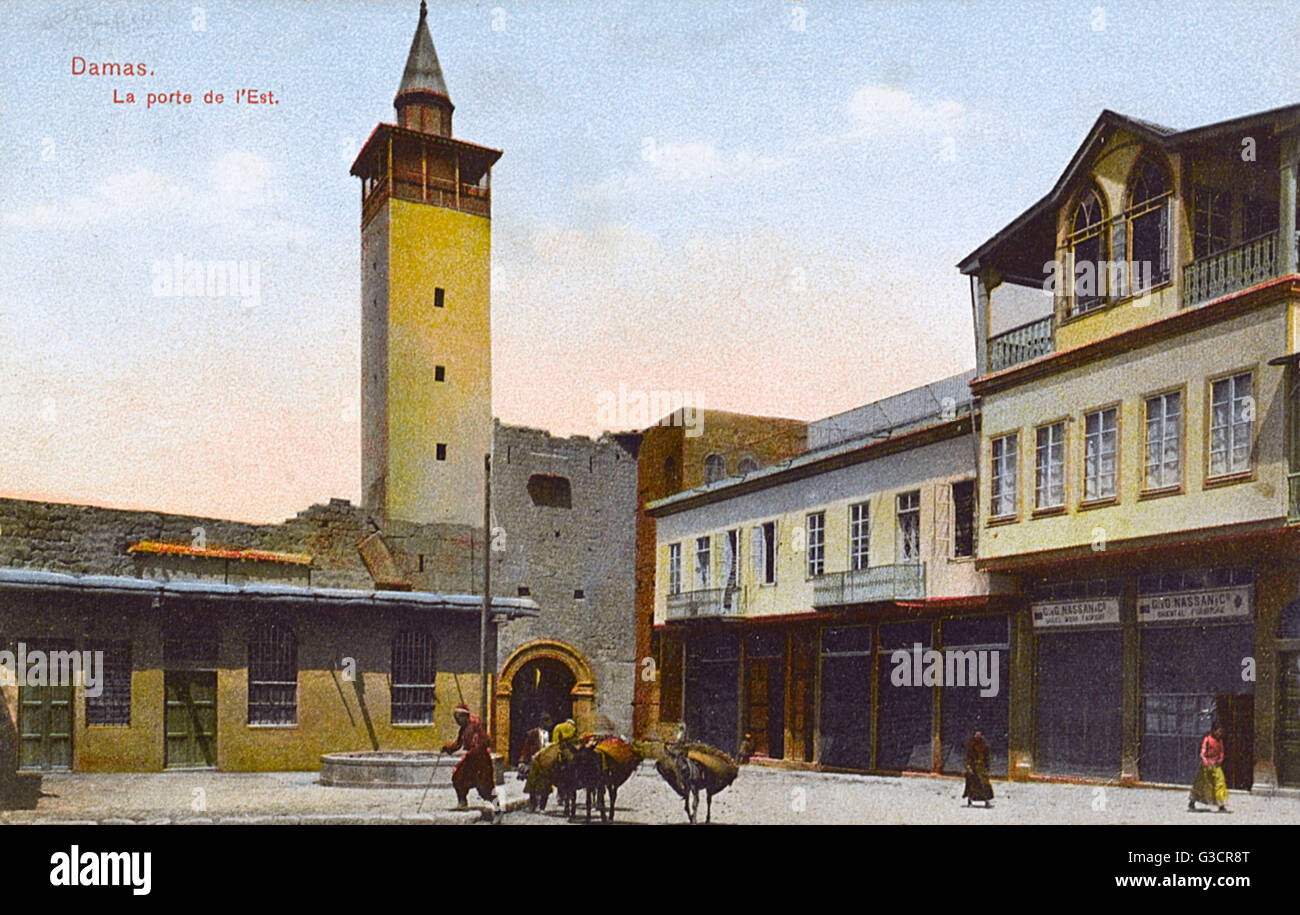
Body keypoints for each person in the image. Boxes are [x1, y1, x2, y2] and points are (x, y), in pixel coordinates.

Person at [442, 702, 496, 811]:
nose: (457, 721)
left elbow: (484, 740)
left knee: (486, 788)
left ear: (465, 716)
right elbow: (458, 744)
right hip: (470, 759)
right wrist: (448, 748)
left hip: (481, 760)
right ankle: (462, 801)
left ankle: (498, 808)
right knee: (458, 777)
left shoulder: (476, 724)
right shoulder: (463, 728)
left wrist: (476, 747)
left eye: (459, 718)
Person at [1188, 725, 1230, 813]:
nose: (1220, 734)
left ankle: (1221, 805)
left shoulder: (1220, 741)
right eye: (1219, 731)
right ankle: (1192, 802)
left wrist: (1220, 759)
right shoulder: (1207, 739)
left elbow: (1221, 752)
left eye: (1221, 732)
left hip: (1216, 766)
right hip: (1206, 766)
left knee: (1220, 783)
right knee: (1201, 784)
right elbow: (1202, 753)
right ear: (1214, 731)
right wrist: (1206, 762)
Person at [963, 730, 994, 808]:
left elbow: (987, 757)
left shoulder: (984, 745)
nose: (977, 736)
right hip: (973, 767)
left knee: (984, 784)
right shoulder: (971, 745)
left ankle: (986, 801)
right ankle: (970, 801)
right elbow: (967, 757)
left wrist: (987, 767)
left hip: (982, 768)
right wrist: (968, 766)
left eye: (979, 734)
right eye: (976, 734)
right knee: (972, 785)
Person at [516, 712, 553, 776]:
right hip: (535, 764)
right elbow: (526, 749)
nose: (551, 723)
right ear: (542, 722)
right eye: (548, 720)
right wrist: (522, 762)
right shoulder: (532, 734)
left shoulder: (552, 734)